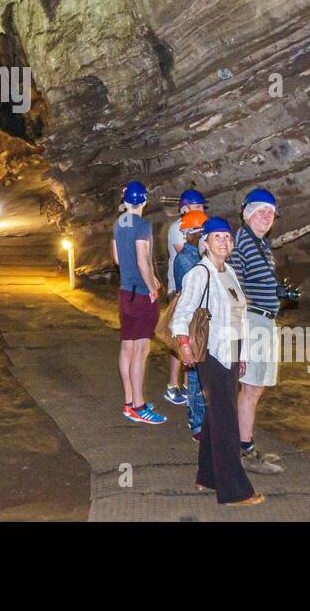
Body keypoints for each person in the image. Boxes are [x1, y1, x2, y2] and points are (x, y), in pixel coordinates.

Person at [171, 217, 263, 505]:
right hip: (213, 354)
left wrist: (244, 353)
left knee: (215, 416)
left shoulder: (229, 272)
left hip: (232, 351)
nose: (224, 242)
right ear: (205, 243)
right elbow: (182, 314)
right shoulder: (201, 273)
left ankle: (208, 477)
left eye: (227, 237)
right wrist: (184, 344)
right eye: (217, 237)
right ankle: (235, 490)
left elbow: (239, 317)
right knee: (226, 420)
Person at [227, 187, 286, 475]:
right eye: (261, 211)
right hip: (250, 323)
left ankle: (245, 444)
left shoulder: (262, 244)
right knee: (250, 387)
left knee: (256, 386)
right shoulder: (242, 242)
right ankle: (243, 450)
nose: (266, 216)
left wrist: (276, 292)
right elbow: (233, 287)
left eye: (271, 212)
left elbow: (254, 281)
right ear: (247, 213)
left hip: (264, 321)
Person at [112, 180, 166, 424]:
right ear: (144, 200)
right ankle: (140, 406)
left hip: (125, 291)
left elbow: (116, 258)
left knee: (127, 347)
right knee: (142, 350)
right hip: (141, 294)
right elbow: (143, 260)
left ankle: (129, 402)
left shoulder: (119, 223)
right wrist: (152, 286)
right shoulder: (142, 225)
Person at [164, 189, 207, 406]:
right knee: (178, 337)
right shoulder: (176, 229)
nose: (201, 210)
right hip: (178, 288)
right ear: (185, 208)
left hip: (193, 289)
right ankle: (174, 384)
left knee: (193, 338)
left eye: (202, 207)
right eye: (197, 206)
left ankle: (191, 386)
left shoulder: (200, 226)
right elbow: (188, 254)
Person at [171, 210, 208, 438]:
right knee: (195, 374)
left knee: (203, 373)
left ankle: (204, 420)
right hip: (194, 322)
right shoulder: (186, 258)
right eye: (203, 232)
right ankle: (197, 424)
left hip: (202, 321)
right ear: (193, 233)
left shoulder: (197, 255)